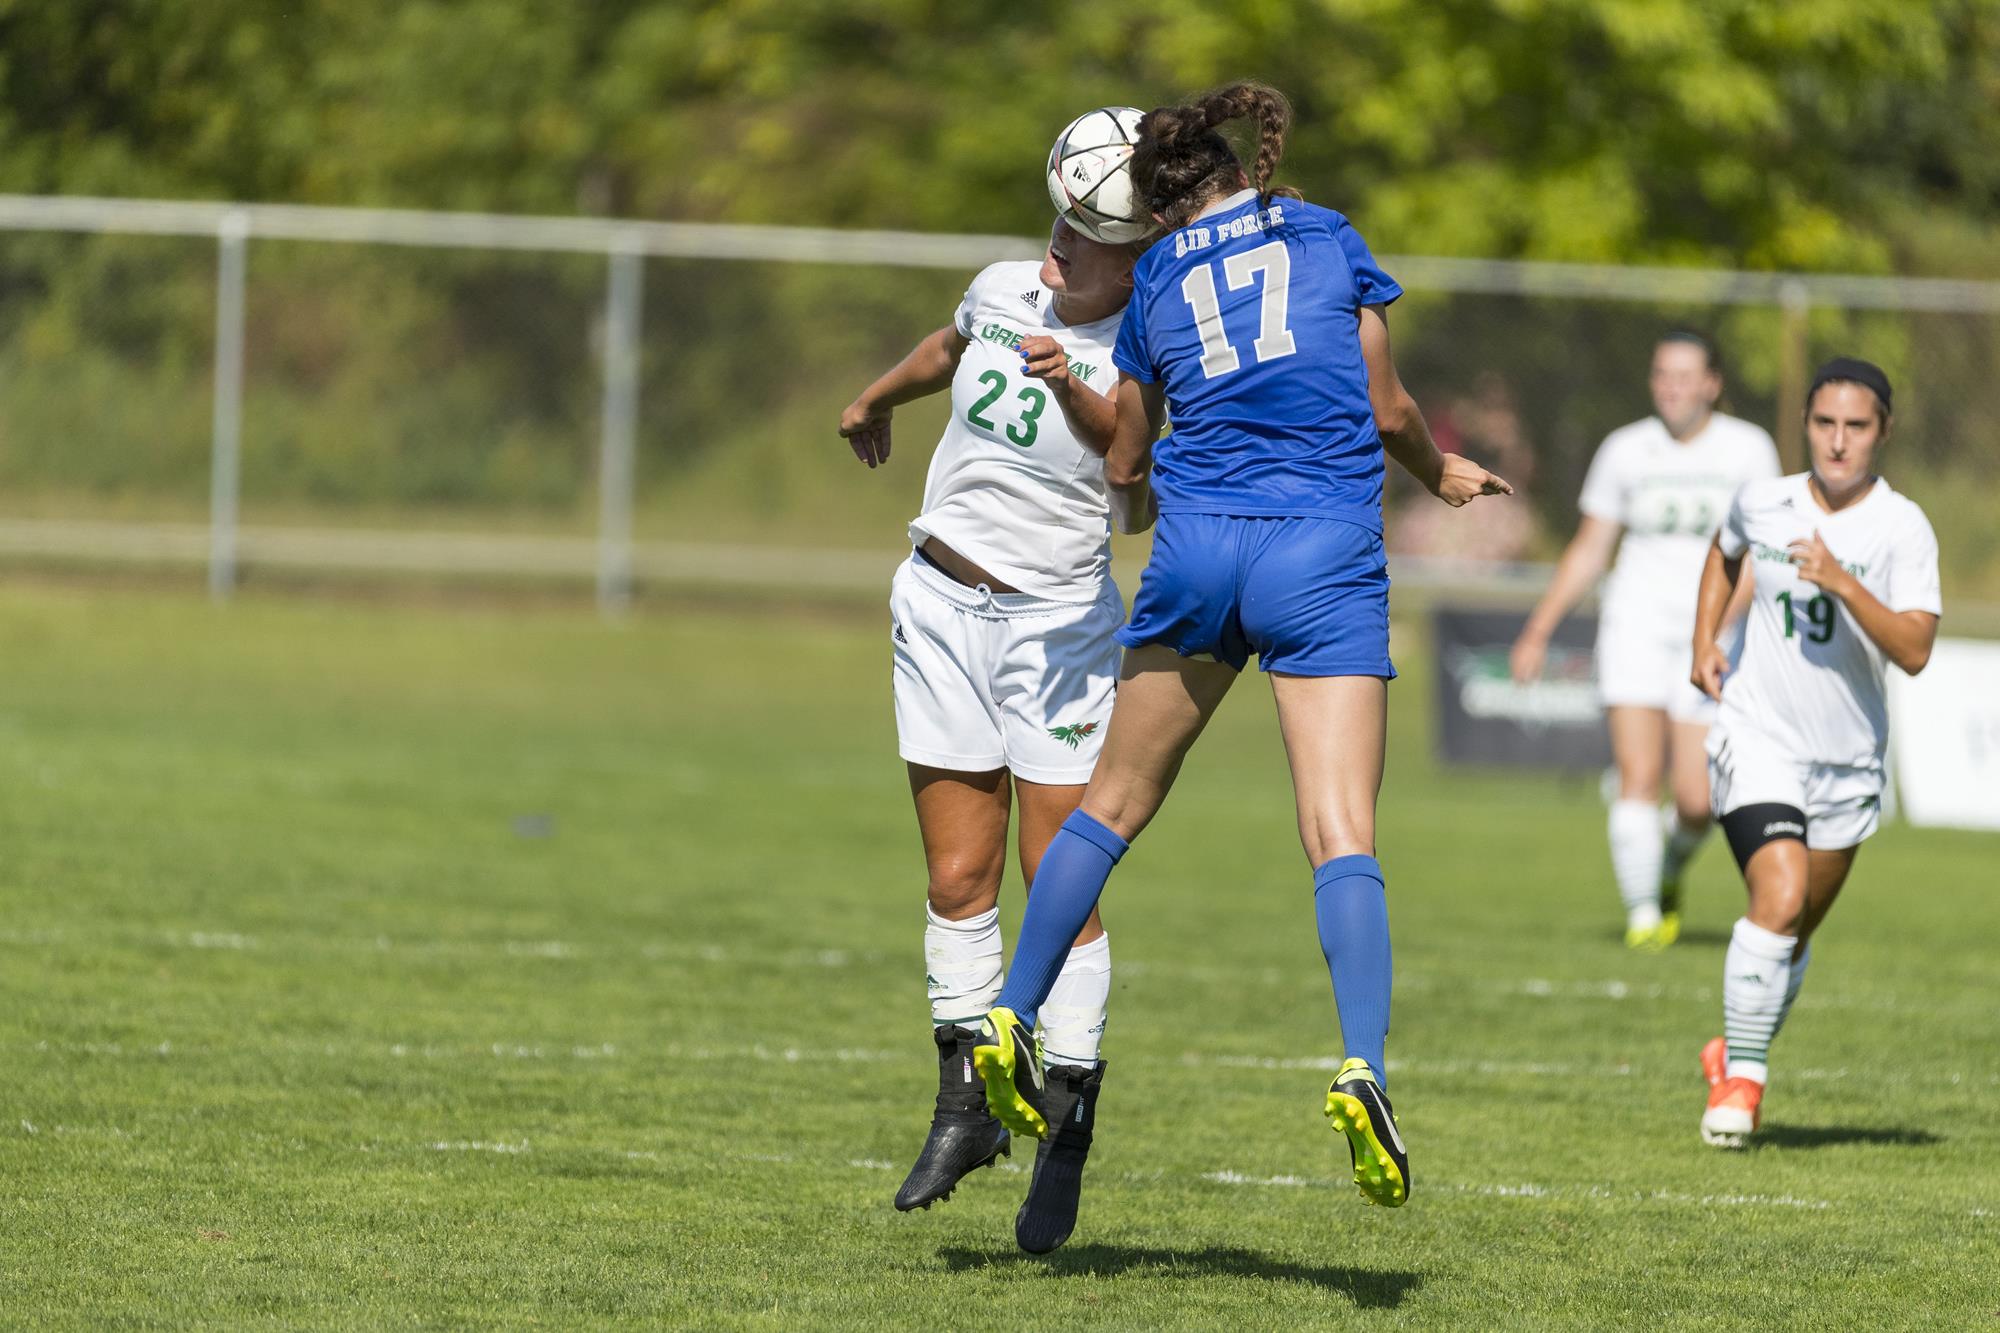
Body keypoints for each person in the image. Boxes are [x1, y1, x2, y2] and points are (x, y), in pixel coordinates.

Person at [966, 81, 1510, 1210]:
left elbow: (1125, 459)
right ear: (1245, 170)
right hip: (1320, 555)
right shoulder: (1325, 234)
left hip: (1200, 553)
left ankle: (1008, 1011)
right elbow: (1388, 406)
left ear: (1166, 210)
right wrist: (1438, 474)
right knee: (1337, 831)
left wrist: (1135, 476)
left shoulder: (1156, 276)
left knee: (1109, 806)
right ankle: (1361, 1063)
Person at [837, 159, 1156, 1252]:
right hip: (935, 599)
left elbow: (1130, 473)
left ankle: (1065, 1118)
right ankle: (963, 1106)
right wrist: (877, 396)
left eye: (1089, 235)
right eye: (1059, 223)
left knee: (1052, 872)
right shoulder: (999, 284)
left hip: (1053, 628)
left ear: (1137, 255)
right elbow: (949, 343)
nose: (1058, 245)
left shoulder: (1147, 345)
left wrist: (1070, 378)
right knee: (955, 873)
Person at [1689, 357, 1939, 1147]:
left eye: (1856, 426)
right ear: (1806, 425)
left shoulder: (1903, 527)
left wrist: (1842, 581)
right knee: (1781, 896)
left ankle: (1733, 1047)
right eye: (1825, 424)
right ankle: (1744, 1083)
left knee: (1792, 934)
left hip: (1850, 764)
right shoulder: (1764, 500)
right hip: (1758, 735)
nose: (1838, 442)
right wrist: (1705, 641)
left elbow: (1916, 649)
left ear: (1883, 432)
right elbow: (1724, 551)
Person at [1509, 335, 1780, 949]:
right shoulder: (1625, 450)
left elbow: (1759, 560)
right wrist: (1538, 630)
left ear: (1712, 383)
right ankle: (1642, 919)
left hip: (1711, 636)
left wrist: (1711, 632)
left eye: (1686, 376)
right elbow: (1589, 550)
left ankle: (1667, 874)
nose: (1672, 387)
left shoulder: (1748, 449)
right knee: (1637, 773)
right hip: (1634, 624)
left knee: (1694, 798)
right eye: (1662, 374)